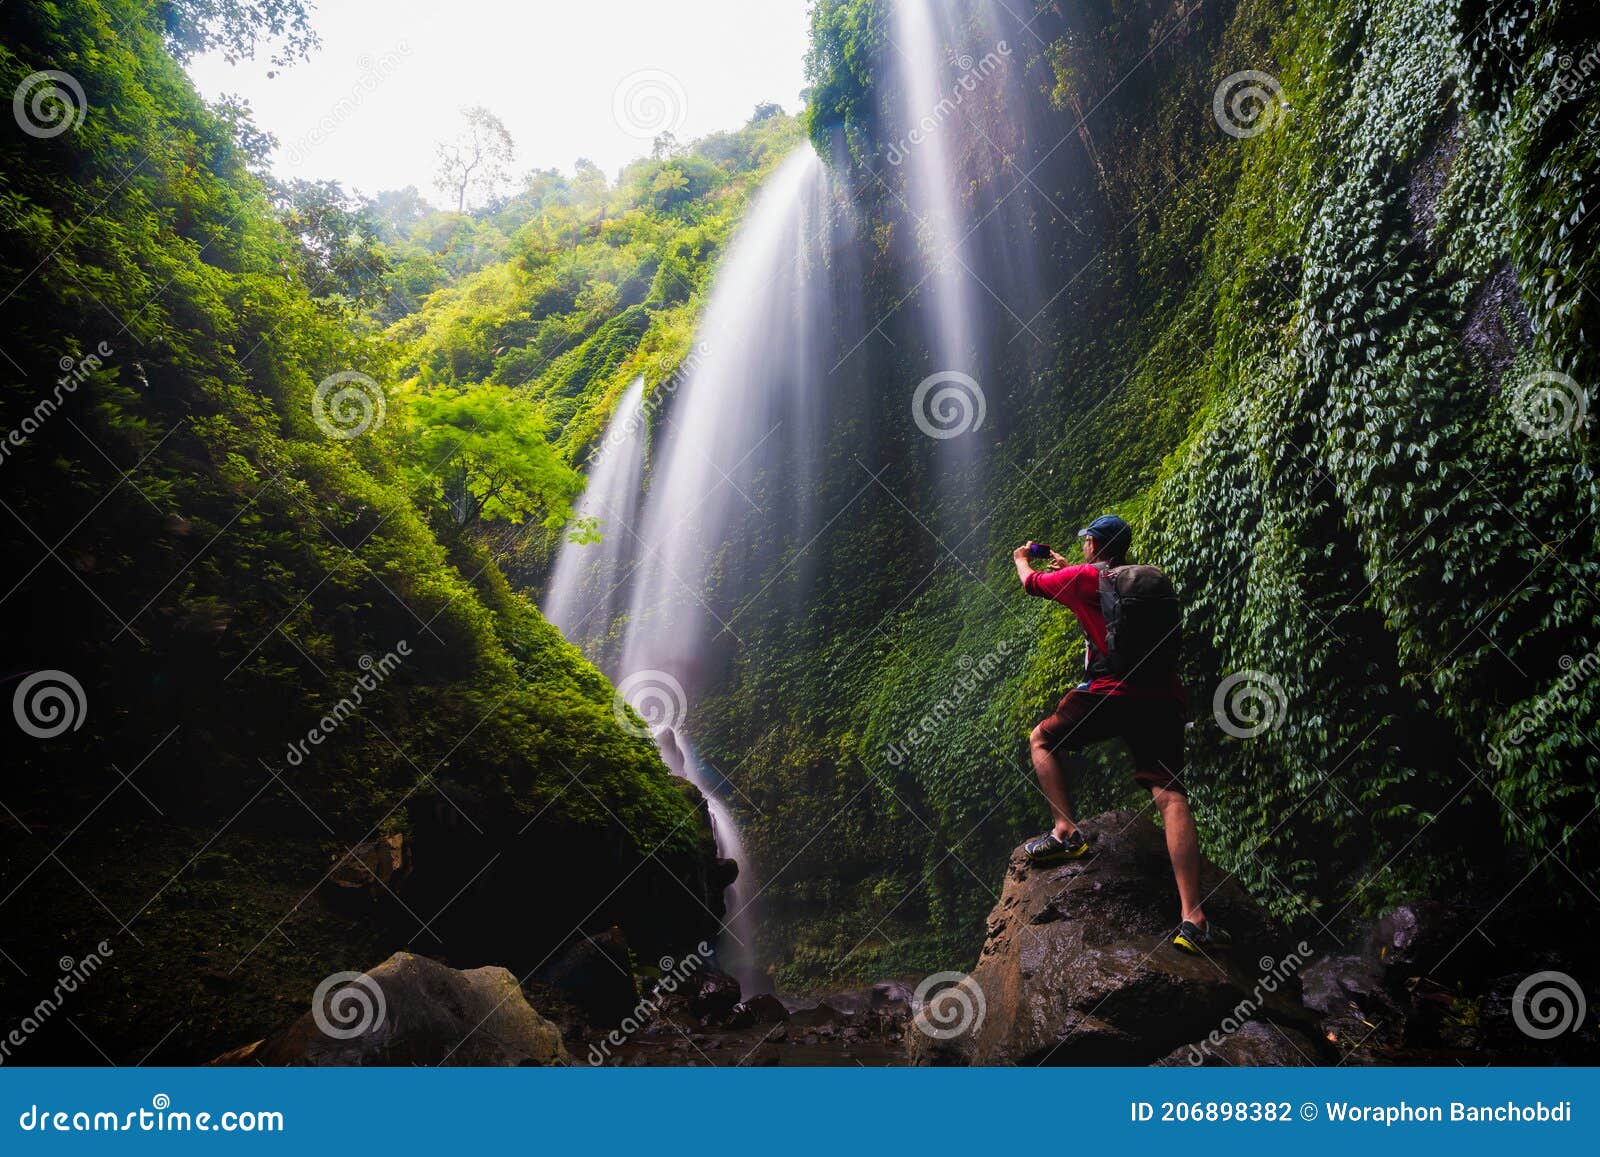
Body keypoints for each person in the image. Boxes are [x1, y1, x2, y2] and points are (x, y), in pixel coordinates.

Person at [1011, 514, 1230, 956]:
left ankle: (1065, 832)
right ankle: (1193, 918)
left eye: (1086, 542)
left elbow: (1030, 584)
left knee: (1042, 739)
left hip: (1112, 691)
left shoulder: (1083, 578)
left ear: (1093, 544)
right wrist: (1070, 567)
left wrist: (1022, 558)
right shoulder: (1144, 581)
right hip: (1163, 697)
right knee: (1170, 794)